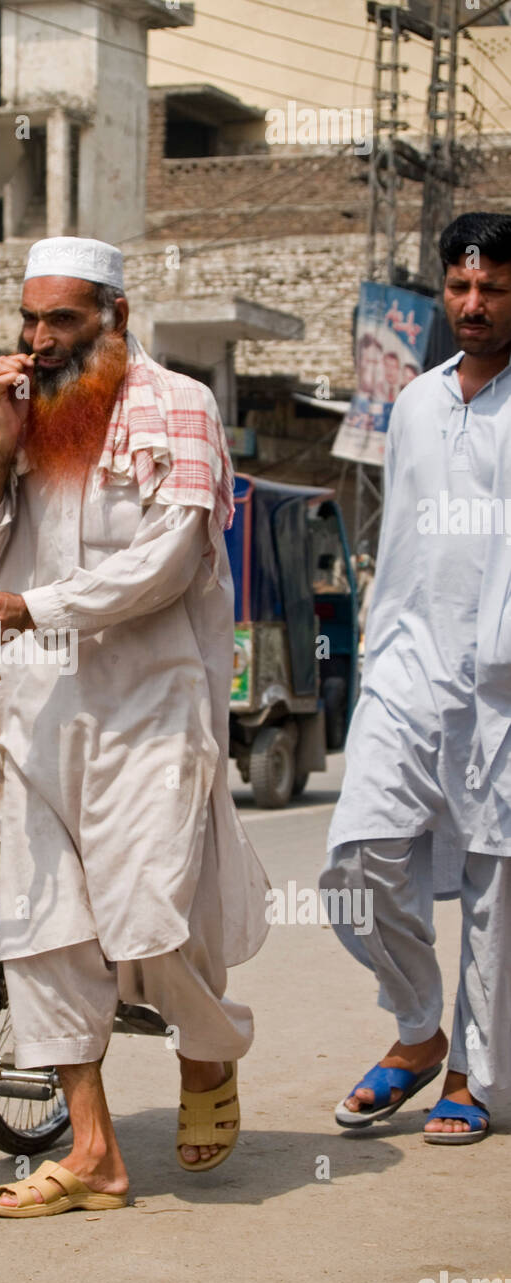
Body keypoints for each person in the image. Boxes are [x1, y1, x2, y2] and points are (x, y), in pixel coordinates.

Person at [0, 235, 271, 1216]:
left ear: (115, 318)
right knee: (41, 929)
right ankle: (92, 1156)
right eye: (28, 321)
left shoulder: (181, 408)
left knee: (149, 924)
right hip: (32, 712)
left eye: (62, 321)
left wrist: (36, 606)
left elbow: (167, 561)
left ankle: (207, 1051)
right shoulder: (25, 414)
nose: (38, 341)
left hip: (148, 711)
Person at [319, 211, 511, 1145]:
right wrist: (376, 655)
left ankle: (472, 1071)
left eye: (494, 290)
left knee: (493, 882)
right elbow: (398, 544)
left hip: (505, 687)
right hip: (407, 667)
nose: (473, 305)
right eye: (462, 288)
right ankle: (419, 1028)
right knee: (359, 856)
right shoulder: (419, 402)